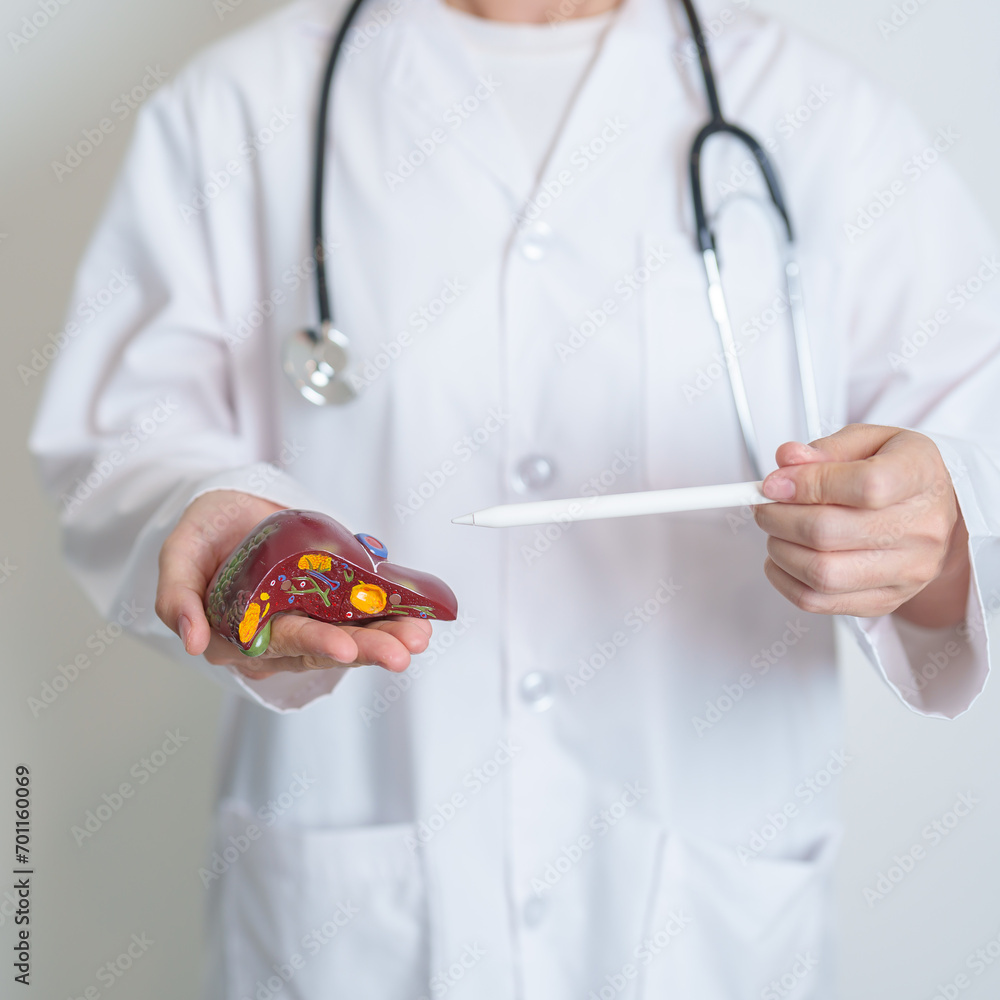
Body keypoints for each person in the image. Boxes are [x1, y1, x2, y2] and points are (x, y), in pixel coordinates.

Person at [29, 0, 1000, 994]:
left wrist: (935, 537)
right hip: (351, 923)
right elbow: (119, 441)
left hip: (702, 926)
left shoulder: (822, 115)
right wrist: (218, 526)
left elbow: (973, 456)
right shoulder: (238, 107)